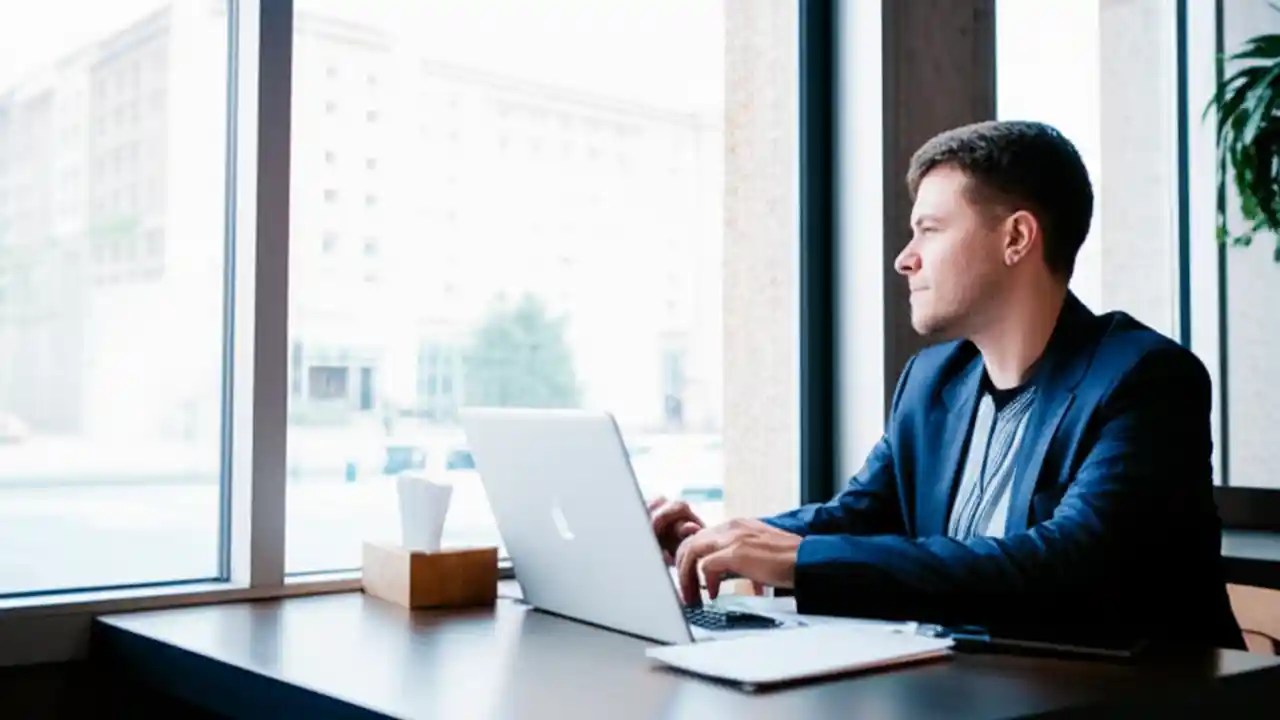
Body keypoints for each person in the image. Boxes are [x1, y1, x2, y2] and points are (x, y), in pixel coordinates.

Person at [650, 120, 1242, 650]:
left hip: (1137, 699)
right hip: (973, 688)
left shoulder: (1145, 379)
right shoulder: (933, 382)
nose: (905, 259)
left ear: (1016, 238)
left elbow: (1070, 564)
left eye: (929, 230)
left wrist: (799, 559)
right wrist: (717, 546)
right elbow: (858, 517)